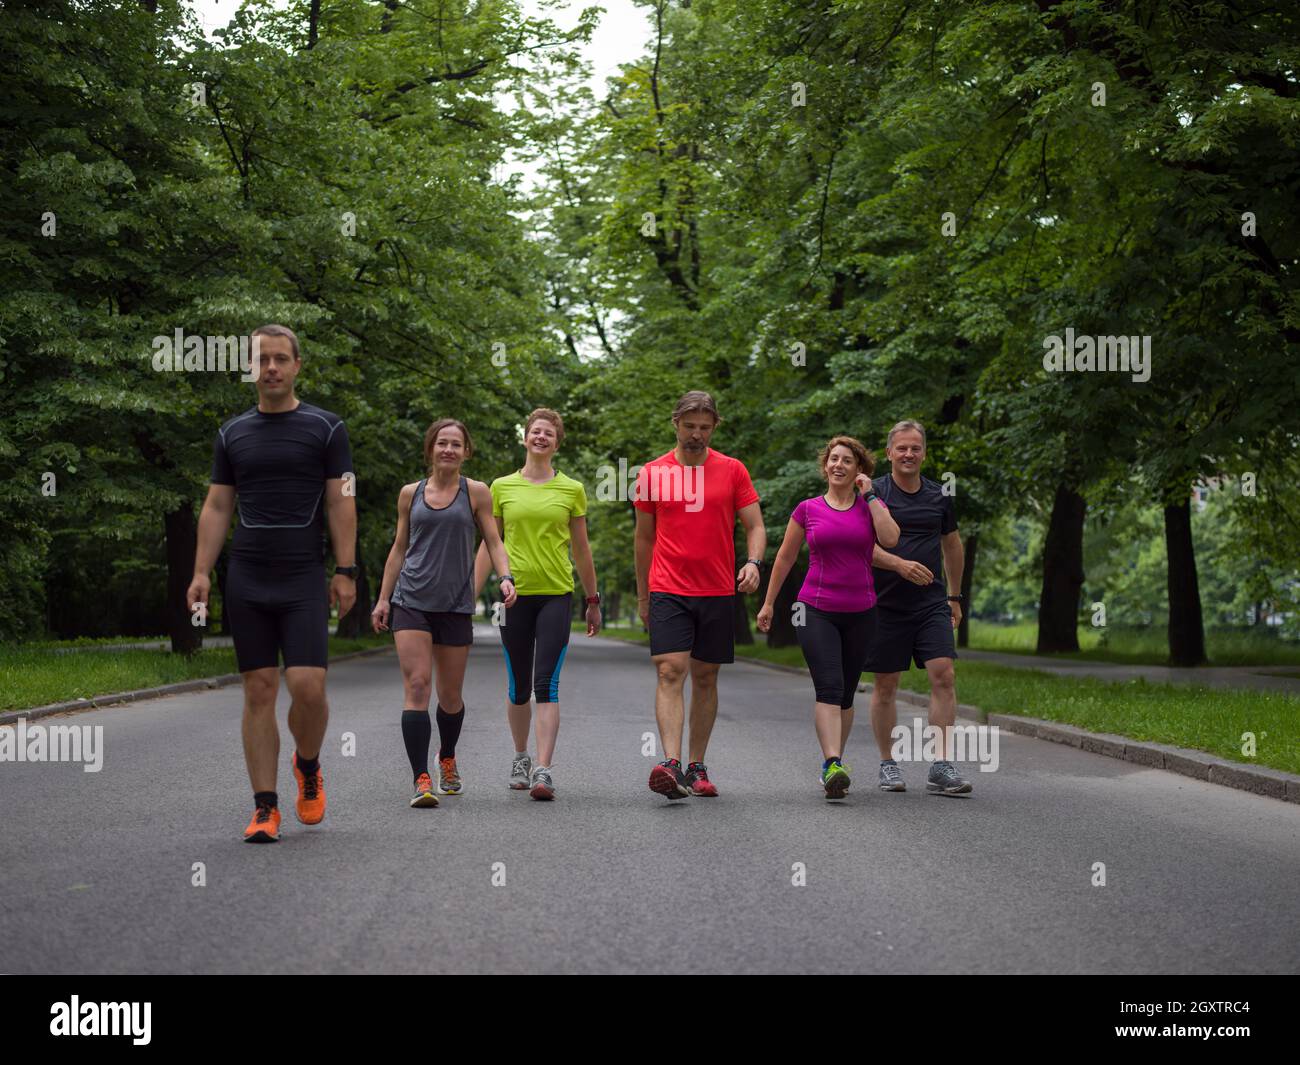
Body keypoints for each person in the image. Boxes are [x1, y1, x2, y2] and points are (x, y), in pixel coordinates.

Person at [187, 324, 357, 843]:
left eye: (281, 359)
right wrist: (200, 572)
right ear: (250, 368)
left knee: (308, 686)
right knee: (258, 689)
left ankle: (308, 765)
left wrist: (346, 570)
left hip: (304, 574)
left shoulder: (328, 428)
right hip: (248, 574)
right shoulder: (231, 433)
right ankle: (265, 807)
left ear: (297, 365)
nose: (272, 369)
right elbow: (218, 506)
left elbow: (340, 499)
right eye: (263, 360)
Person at [371, 419, 514, 807]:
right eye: (442, 443)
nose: (448, 450)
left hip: (454, 604)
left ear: (466, 452)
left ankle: (446, 756)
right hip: (411, 600)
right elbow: (399, 549)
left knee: (450, 696)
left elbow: (494, 540)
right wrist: (384, 598)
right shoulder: (409, 494)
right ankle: (421, 777)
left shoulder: (477, 493)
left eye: (456, 444)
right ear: (430, 449)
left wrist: (505, 577)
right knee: (418, 686)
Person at [634, 391, 766, 800]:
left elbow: (755, 526)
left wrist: (754, 562)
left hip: (717, 589)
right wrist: (643, 597)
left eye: (705, 427)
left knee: (706, 676)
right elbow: (643, 539)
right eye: (690, 426)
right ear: (675, 423)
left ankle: (696, 765)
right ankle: (670, 763)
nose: (696, 434)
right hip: (668, 588)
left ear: (714, 427)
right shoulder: (652, 473)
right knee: (671, 670)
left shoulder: (733, 470)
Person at [757, 437, 899, 798]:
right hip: (814, 610)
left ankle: (836, 764)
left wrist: (871, 497)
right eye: (833, 459)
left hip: (862, 611)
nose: (838, 465)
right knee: (830, 687)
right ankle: (831, 762)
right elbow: (786, 558)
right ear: (825, 467)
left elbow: (892, 538)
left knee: (847, 694)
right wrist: (770, 603)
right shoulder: (807, 509)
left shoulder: (869, 507)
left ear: (859, 471)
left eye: (847, 461)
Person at [474, 409, 600, 800]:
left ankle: (544, 770)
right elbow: (490, 544)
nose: (541, 437)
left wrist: (592, 599)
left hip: (556, 594)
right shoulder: (501, 487)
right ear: (526, 438)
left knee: (547, 683)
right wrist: (467, 596)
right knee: (518, 686)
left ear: (556, 443)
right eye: (535, 431)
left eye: (548, 433)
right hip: (515, 595)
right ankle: (520, 757)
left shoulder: (572, 489)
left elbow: (581, 548)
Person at [864, 420, 971, 795]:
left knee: (944, 675)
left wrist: (955, 596)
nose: (909, 454)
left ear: (924, 453)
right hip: (884, 604)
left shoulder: (939, 494)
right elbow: (858, 545)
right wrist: (898, 564)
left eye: (915, 448)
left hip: (930, 603)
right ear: (890, 452)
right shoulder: (872, 492)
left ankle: (941, 765)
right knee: (886, 685)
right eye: (902, 448)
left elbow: (953, 545)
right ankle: (888, 764)